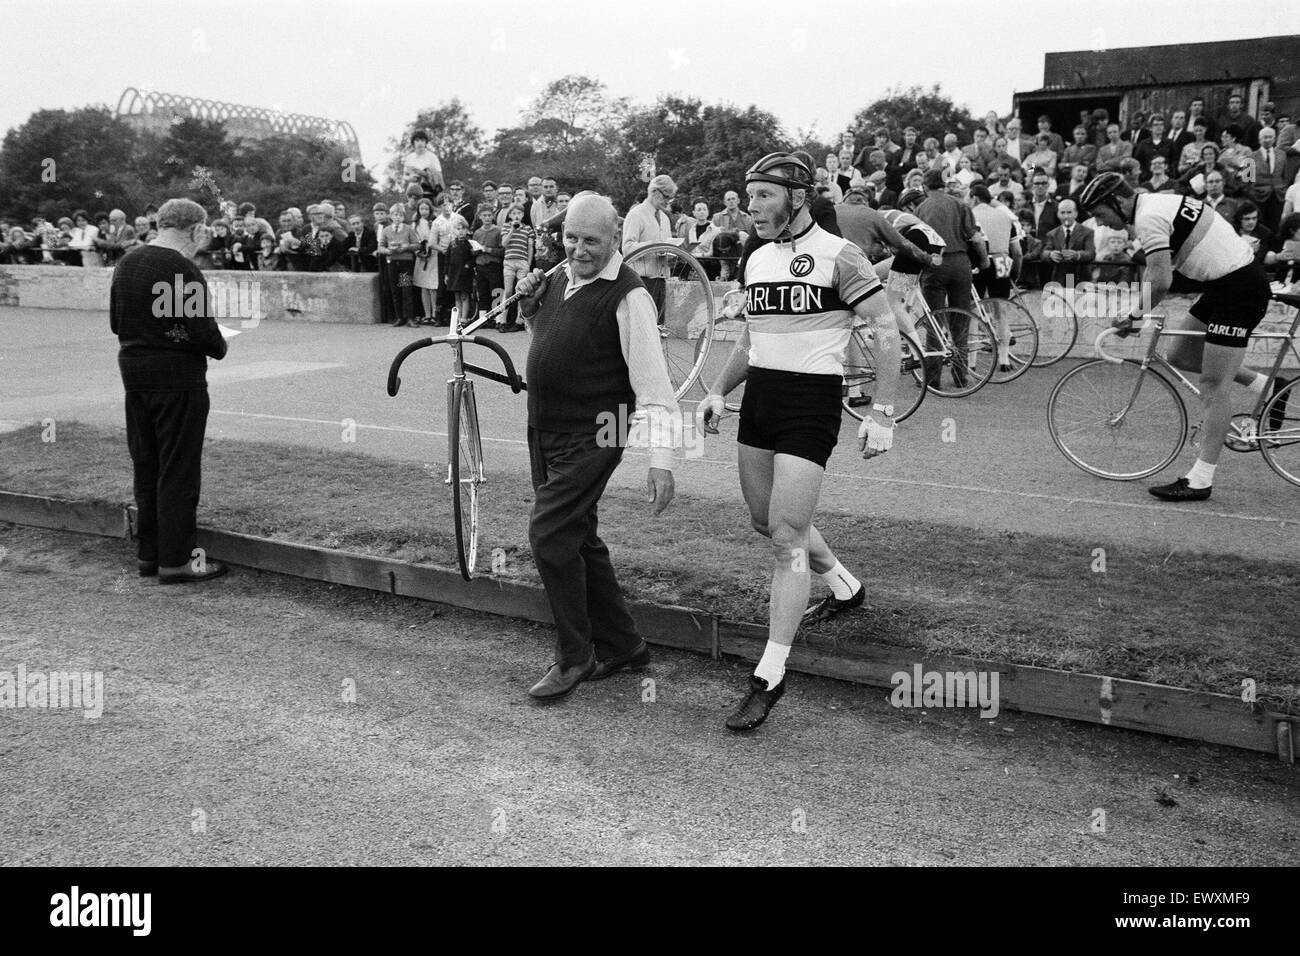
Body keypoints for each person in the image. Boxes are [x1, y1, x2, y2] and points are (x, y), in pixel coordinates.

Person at [698, 153, 901, 732]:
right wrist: (716, 389)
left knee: (786, 536)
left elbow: (886, 333)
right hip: (759, 397)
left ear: (796, 197)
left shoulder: (842, 255)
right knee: (766, 522)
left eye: (764, 195)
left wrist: (883, 413)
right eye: (750, 194)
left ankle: (771, 672)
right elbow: (751, 336)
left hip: (810, 404)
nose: (752, 206)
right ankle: (843, 583)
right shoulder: (756, 257)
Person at [512, 192, 680, 702]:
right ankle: (625, 645)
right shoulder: (558, 277)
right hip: (545, 426)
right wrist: (528, 306)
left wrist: (661, 461)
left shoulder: (631, 296)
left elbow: (655, 388)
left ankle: (575, 654)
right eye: (570, 238)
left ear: (615, 240)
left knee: (548, 535)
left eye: (591, 241)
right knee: (578, 536)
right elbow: (549, 336)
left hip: (597, 431)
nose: (579, 249)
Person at [1079, 172, 1287, 501]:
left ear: (1118, 202)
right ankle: (1268, 386)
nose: (1100, 223)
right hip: (1225, 284)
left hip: (1239, 289)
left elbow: (1161, 280)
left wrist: (1133, 315)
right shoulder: (1156, 203)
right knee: (1179, 355)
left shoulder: (1147, 217)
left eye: (1099, 214)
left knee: (1213, 387)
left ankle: (1201, 480)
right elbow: (1156, 269)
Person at [109, 198, 229, 584]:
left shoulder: (127, 263)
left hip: (135, 371)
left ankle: (150, 554)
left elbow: (117, 322)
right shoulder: (182, 268)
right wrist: (219, 344)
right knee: (178, 469)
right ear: (194, 229)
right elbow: (202, 331)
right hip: (177, 376)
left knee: (147, 465)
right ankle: (176, 560)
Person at [917, 167, 988, 388]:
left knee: (935, 321)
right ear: (945, 184)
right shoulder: (960, 205)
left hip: (934, 264)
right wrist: (984, 260)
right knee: (961, 320)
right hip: (960, 264)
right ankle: (960, 376)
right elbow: (975, 238)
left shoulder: (921, 208)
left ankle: (932, 378)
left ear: (925, 187)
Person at [621, 174, 678, 316]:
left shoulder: (664, 218)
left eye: (670, 198)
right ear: (654, 192)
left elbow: (666, 246)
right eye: (666, 197)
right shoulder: (636, 214)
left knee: (659, 327)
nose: (668, 202)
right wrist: (652, 246)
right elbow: (627, 248)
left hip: (661, 281)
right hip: (641, 281)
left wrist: (673, 253)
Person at [498, 204, 534, 332]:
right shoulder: (507, 227)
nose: (516, 215)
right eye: (514, 213)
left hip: (522, 262)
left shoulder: (528, 229)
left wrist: (528, 263)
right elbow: (504, 243)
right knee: (508, 291)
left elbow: (530, 247)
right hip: (509, 262)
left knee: (520, 292)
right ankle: (502, 320)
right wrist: (512, 230)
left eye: (519, 213)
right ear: (510, 215)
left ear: (523, 215)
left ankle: (519, 321)